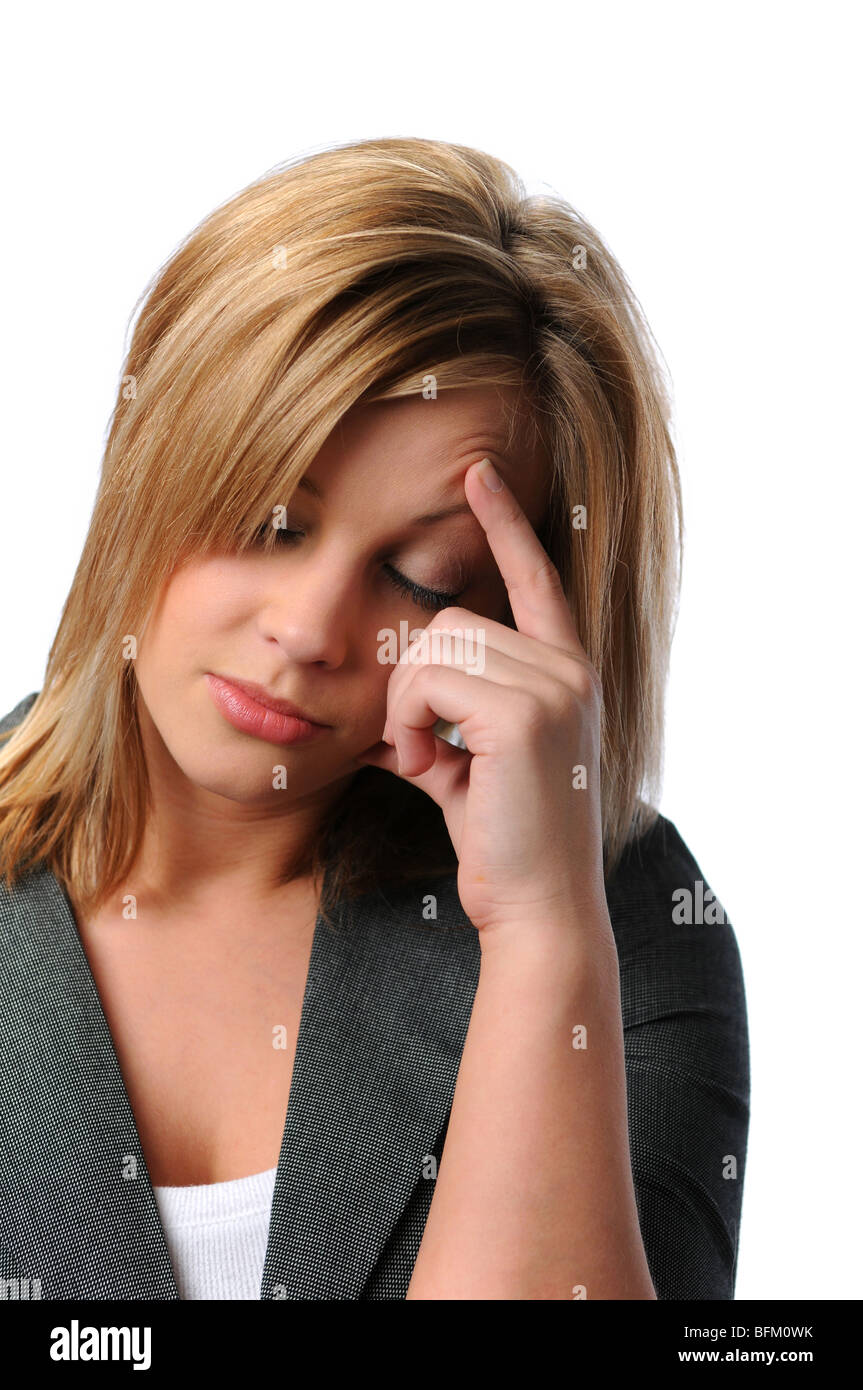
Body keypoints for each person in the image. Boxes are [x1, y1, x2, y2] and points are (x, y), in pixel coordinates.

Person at [0, 136, 749, 1301]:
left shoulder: (626, 913)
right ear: (150, 456)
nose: (308, 629)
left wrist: (543, 932)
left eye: (421, 580)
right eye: (270, 517)